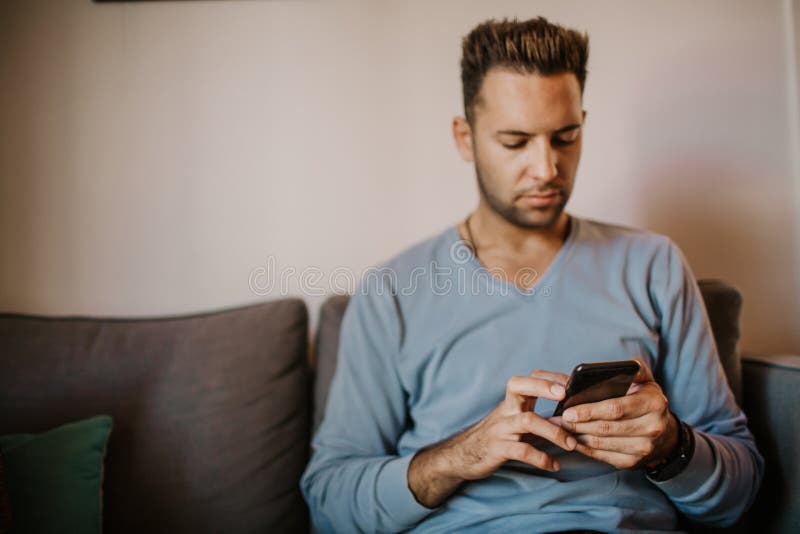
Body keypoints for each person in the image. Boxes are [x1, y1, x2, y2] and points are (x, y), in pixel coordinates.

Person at [300, 16, 763, 533]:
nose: (546, 168)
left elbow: (739, 495)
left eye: (565, 137)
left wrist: (671, 447)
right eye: (516, 141)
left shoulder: (652, 265)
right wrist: (460, 455)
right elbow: (330, 503)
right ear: (465, 138)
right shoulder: (391, 292)